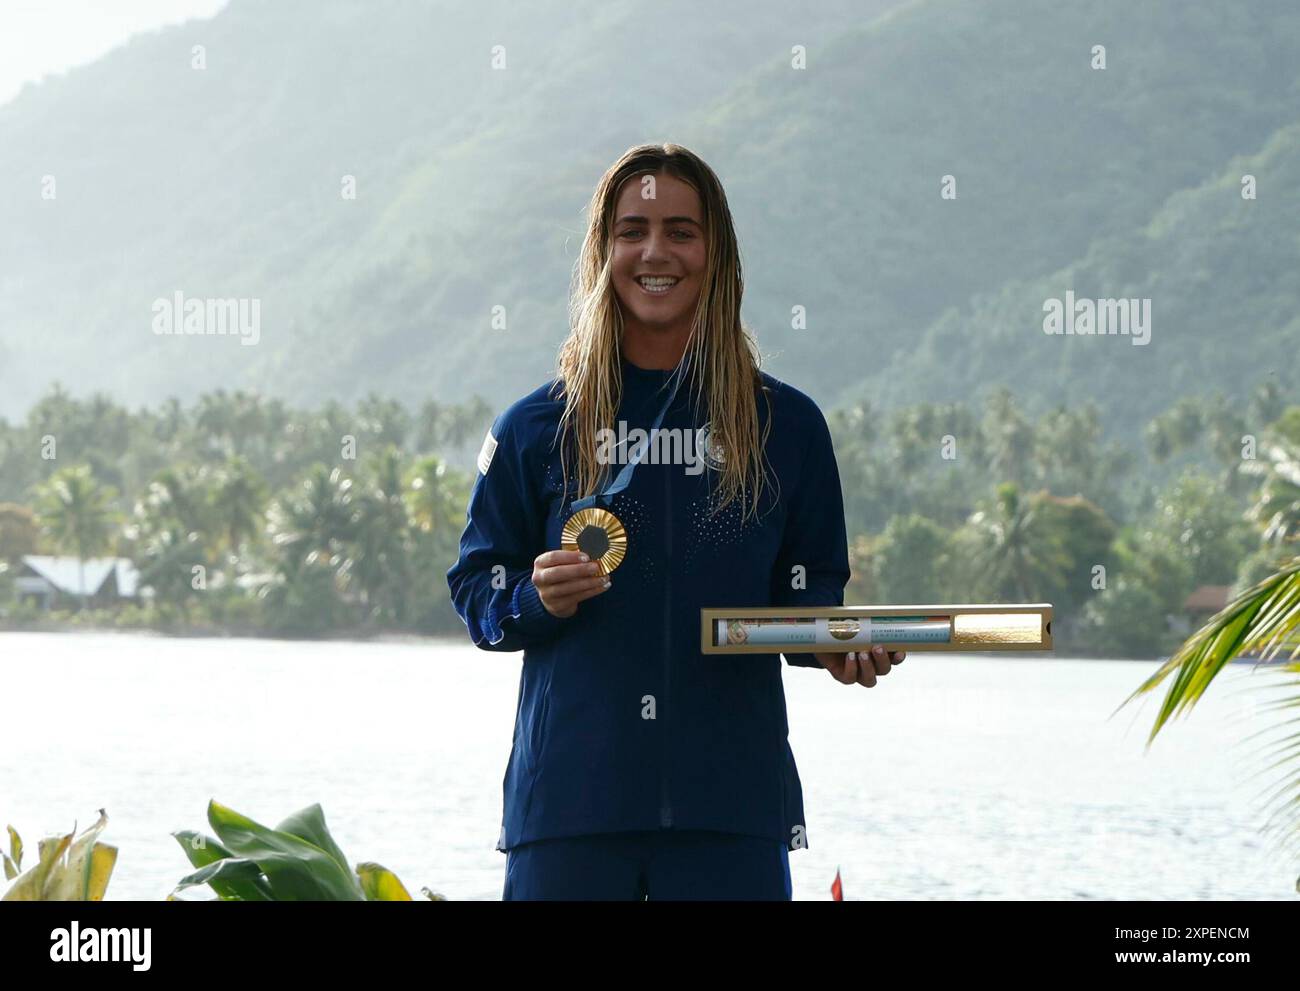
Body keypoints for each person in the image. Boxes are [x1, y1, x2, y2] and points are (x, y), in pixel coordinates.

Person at [446, 142, 905, 901]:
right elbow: (476, 594)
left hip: (730, 815)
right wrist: (533, 599)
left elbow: (807, 598)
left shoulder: (786, 426)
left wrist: (835, 645)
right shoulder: (536, 426)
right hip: (569, 811)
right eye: (633, 230)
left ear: (716, 251)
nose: (655, 251)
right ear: (604, 251)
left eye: (681, 230)